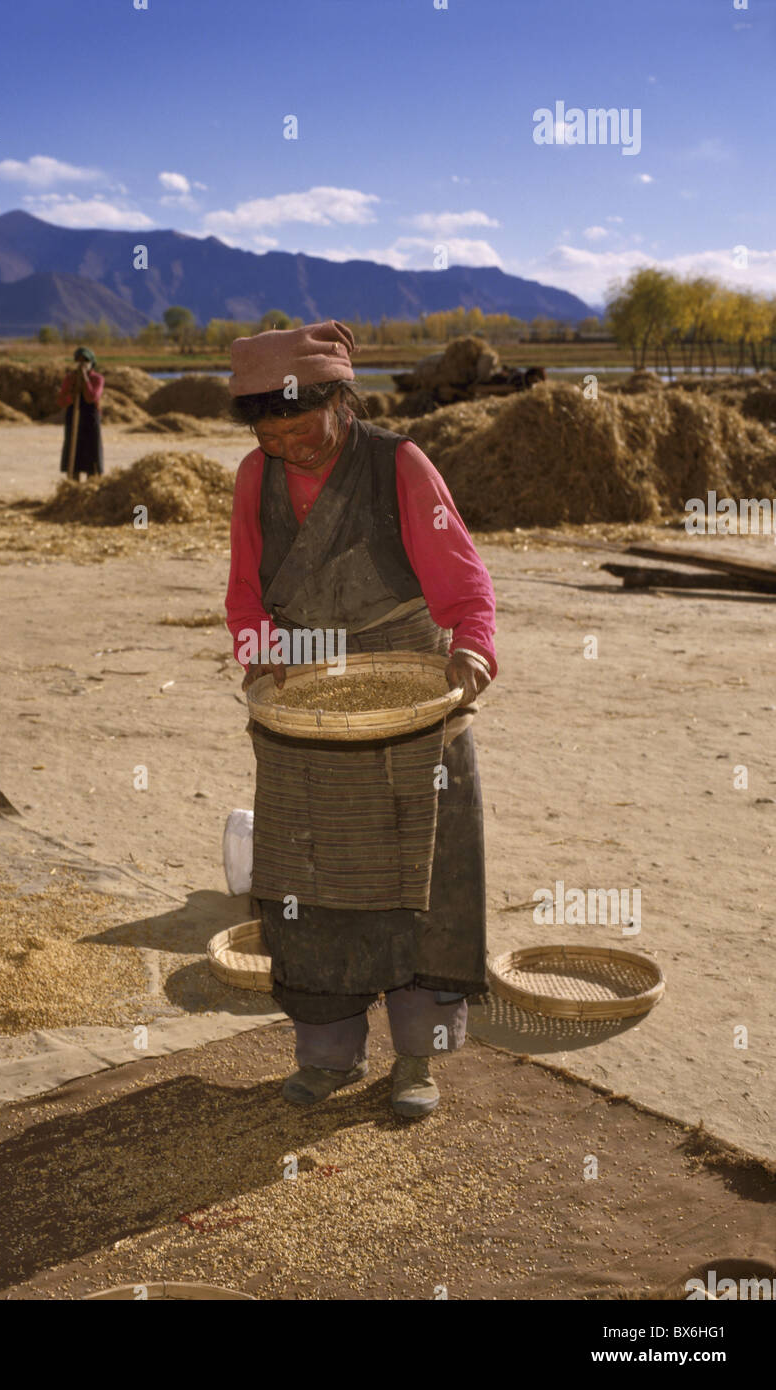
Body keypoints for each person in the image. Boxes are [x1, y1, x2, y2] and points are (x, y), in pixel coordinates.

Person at [225, 320, 497, 1119]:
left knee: (424, 893)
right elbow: (245, 588)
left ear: (342, 402)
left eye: (302, 431)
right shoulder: (253, 475)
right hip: (307, 709)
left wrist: (472, 651)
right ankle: (328, 1055)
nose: (289, 450)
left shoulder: (400, 464)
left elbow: (464, 582)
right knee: (310, 891)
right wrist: (259, 651)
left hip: (409, 698)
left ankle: (417, 1060)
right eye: (272, 437)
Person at [57, 346, 104, 480]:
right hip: (74, 418)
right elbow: (61, 400)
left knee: (92, 454)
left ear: (91, 363)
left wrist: (85, 380)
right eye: (79, 361)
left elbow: (91, 397)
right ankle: (73, 483)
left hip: (90, 420)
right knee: (73, 453)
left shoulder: (97, 379)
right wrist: (72, 395)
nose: (82, 364)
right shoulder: (70, 378)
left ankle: (92, 483)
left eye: (85, 361)